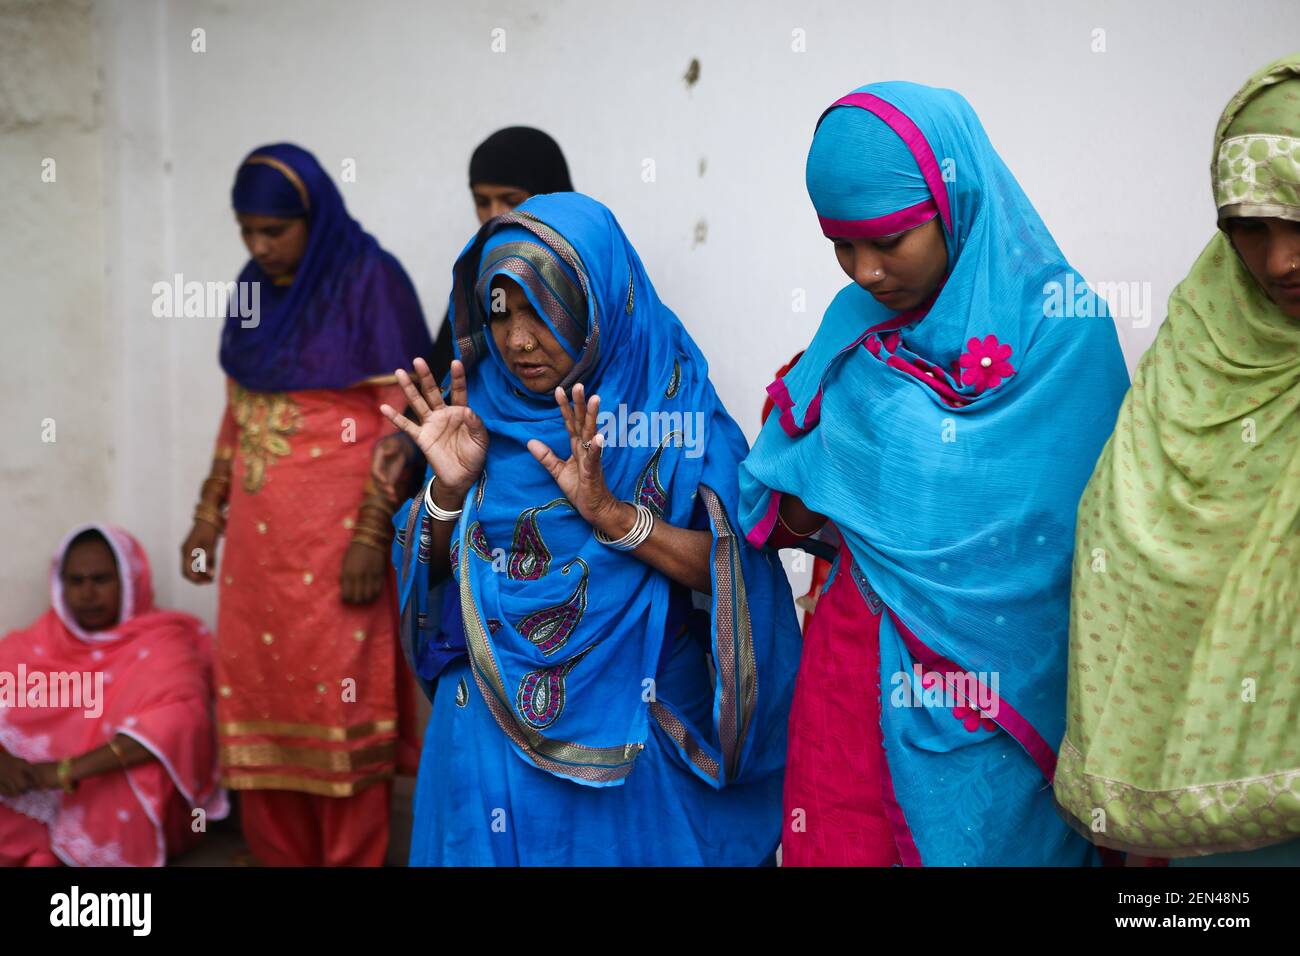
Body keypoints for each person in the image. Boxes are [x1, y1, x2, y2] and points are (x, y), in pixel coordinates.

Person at [739, 81, 1129, 865]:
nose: (866, 271)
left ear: (955, 199)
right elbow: (786, 509)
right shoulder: (851, 328)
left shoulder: (1063, 332)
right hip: (853, 674)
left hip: (1011, 693)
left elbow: (1102, 542)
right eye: (841, 246)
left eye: (890, 239)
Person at [383, 192, 800, 865]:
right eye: (503, 312)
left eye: (542, 309)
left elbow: (734, 570)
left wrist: (614, 517)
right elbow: (432, 602)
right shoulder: (473, 411)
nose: (518, 340)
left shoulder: (672, 406)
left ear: (599, 303)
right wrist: (444, 497)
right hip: (484, 753)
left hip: (637, 740)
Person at [1054, 52, 1300, 866]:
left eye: (1299, 221)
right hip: (1204, 812)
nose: (1275, 262)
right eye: (1248, 229)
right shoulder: (1203, 334)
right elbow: (1124, 540)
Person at [179, 143, 432, 866]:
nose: (260, 248)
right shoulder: (254, 291)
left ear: (312, 218)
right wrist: (207, 514)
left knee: (339, 713)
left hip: (337, 550)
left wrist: (371, 531)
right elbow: (240, 414)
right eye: (246, 232)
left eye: (274, 231)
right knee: (261, 709)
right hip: (258, 560)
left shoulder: (371, 283)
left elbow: (400, 417)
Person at [0, 525, 224, 866]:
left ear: (131, 581)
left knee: (139, 774)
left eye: (101, 580)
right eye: (76, 582)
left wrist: (64, 772)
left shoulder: (163, 642)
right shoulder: (35, 644)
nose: (87, 594)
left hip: (106, 786)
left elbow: (180, 721)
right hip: (36, 787)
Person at [372, 126, 574, 505]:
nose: (493, 214)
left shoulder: (588, 275)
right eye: (482, 201)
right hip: (482, 476)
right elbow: (443, 374)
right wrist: (408, 444)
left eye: (510, 199)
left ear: (550, 193)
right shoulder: (476, 280)